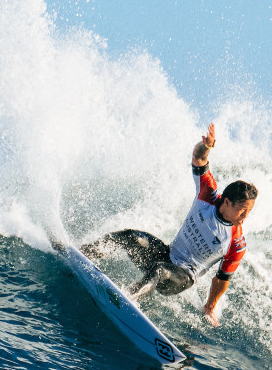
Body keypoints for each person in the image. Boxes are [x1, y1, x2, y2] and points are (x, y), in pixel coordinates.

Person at [82, 123, 257, 326]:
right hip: (166, 254)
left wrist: (210, 306)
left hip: (182, 277)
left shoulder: (236, 242)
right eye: (242, 210)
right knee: (129, 236)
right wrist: (207, 146)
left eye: (249, 212)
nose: (245, 217)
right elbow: (199, 158)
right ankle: (81, 253)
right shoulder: (207, 194)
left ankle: (124, 302)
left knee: (159, 271)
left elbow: (221, 278)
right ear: (227, 202)